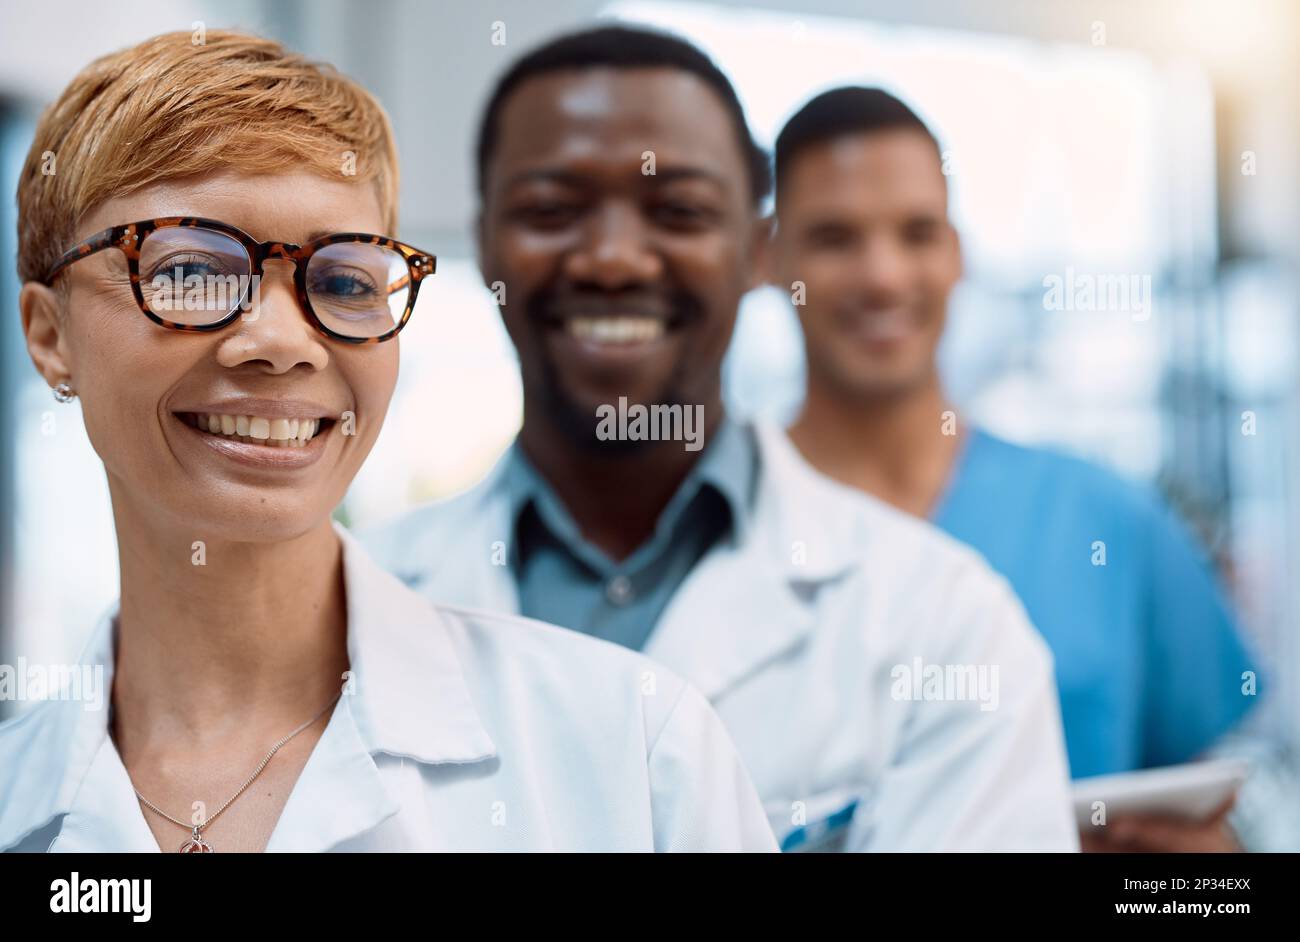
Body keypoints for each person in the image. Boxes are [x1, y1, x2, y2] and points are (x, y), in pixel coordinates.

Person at [0, 29, 777, 854]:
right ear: (51, 336)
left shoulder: (637, 750)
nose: (282, 340)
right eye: (192, 272)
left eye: (342, 281)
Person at [363, 25, 1078, 852]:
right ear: (486, 241)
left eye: (680, 212)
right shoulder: (356, 612)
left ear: (757, 250)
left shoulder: (944, 625)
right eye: (552, 211)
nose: (614, 260)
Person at [766, 86, 1260, 851]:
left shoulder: (1108, 522)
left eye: (917, 233)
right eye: (835, 238)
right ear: (769, 256)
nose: (884, 276)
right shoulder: (717, 531)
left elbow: (1215, 864)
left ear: (957, 254)